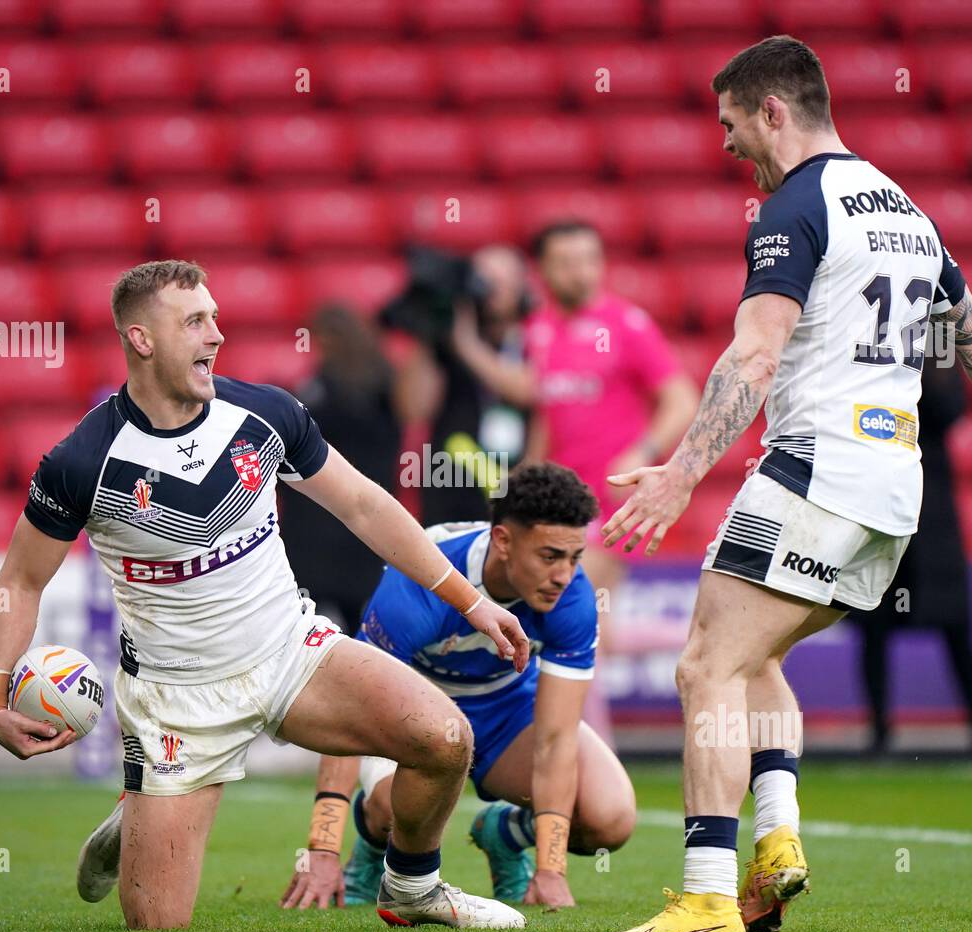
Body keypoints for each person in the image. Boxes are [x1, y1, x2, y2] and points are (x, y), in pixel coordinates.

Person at [600, 36, 972, 932]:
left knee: (705, 665)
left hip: (816, 468)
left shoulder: (795, 206)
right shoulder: (905, 207)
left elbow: (753, 356)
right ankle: (778, 845)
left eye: (730, 125)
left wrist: (679, 475)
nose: (726, 146)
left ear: (773, 113)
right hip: (894, 492)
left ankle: (707, 897)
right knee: (757, 658)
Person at [0, 260, 532, 932]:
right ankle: (142, 807)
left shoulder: (264, 414)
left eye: (213, 317)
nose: (215, 334)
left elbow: (361, 505)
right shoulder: (82, 461)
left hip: (290, 653)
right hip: (178, 699)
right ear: (142, 339)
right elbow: (21, 581)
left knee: (444, 739)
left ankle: (412, 887)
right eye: (194, 321)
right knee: (157, 925)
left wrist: (472, 602)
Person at [278, 463, 636, 911]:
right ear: (503, 542)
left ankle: (502, 833)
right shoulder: (421, 580)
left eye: (574, 557)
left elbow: (555, 739)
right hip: (415, 714)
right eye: (549, 557)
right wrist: (322, 848)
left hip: (506, 715)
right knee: (398, 810)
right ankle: (372, 834)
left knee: (610, 818)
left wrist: (551, 869)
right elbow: (354, 704)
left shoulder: (575, 598)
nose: (565, 575)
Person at [452, 222, 700, 744]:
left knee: (577, 623)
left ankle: (591, 755)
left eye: (589, 259)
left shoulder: (626, 325)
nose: (580, 272)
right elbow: (543, 406)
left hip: (609, 501)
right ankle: (705, 638)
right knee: (586, 628)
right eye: (566, 261)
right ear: (543, 270)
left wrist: (644, 452)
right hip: (562, 503)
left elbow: (681, 399)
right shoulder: (540, 329)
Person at [847, 356, 972, 755]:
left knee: (955, 624)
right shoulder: (867, 341)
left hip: (933, 508)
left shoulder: (936, 343)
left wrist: (913, 366)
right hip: (879, 497)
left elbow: (950, 409)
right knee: (873, 621)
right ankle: (878, 732)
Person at [278, 303, 402, 634]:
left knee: (309, 630)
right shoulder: (386, 384)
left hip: (316, 526)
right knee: (365, 628)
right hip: (363, 522)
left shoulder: (317, 391)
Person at [393, 245, 533, 525]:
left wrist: (467, 345)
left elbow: (528, 391)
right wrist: (428, 333)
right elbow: (413, 409)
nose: (489, 290)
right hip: (449, 486)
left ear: (521, 287)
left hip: (519, 485)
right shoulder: (443, 342)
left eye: (500, 280)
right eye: (483, 280)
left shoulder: (536, 334)